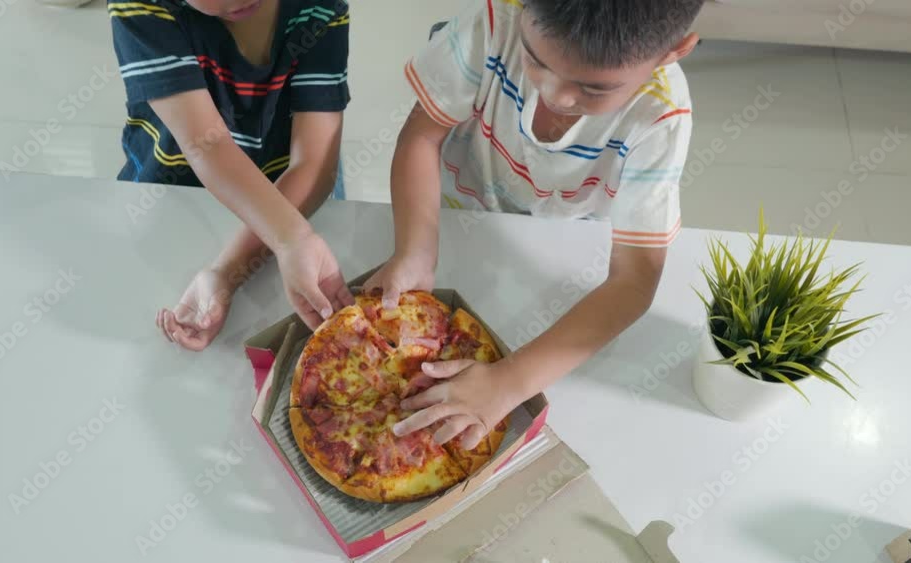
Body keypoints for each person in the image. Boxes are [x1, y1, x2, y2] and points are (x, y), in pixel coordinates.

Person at [367, 0, 703, 448]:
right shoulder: (492, 23)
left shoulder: (660, 115)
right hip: (456, 214)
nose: (557, 95)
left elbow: (634, 280)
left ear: (672, 52)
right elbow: (422, 135)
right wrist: (415, 252)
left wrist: (507, 384)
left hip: (569, 237)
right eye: (535, 60)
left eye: (593, 88)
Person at [108, 0, 354, 350]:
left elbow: (314, 165)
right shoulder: (141, 6)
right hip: (173, 194)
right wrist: (286, 241)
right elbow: (207, 145)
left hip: (288, 198)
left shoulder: (320, 8)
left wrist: (231, 270)